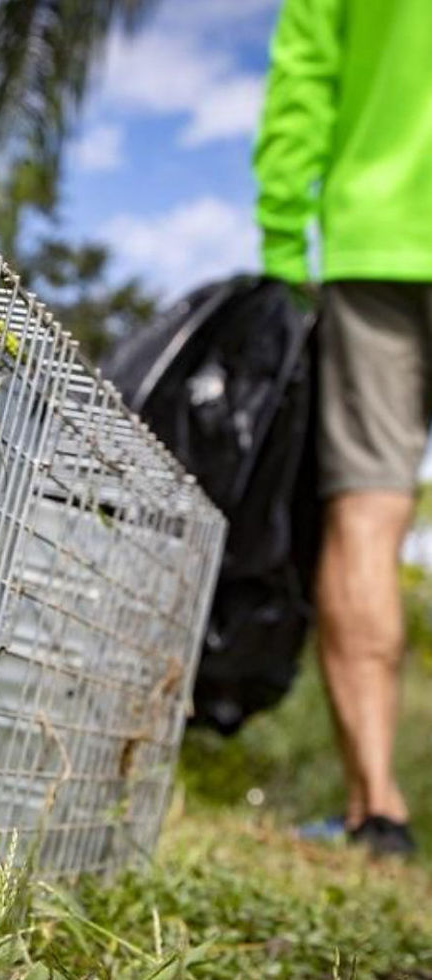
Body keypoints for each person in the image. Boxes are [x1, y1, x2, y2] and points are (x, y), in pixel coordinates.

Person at [254, 0, 432, 856]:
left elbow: (306, 76)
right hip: (377, 246)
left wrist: (286, 246)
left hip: (380, 237)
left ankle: (377, 813)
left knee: (366, 514)